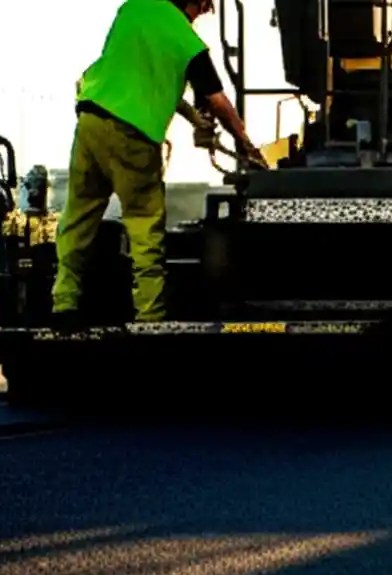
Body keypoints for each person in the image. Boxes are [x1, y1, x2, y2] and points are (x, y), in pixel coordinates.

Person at [52, 0, 264, 330]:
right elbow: (217, 99)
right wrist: (246, 144)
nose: (201, 16)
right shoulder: (187, 41)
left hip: (91, 123)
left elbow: (139, 76)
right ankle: (150, 317)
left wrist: (192, 116)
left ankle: (64, 302)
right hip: (133, 137)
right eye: (203, 8)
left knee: (78, 217)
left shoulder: (132, 9)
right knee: (144, 224)